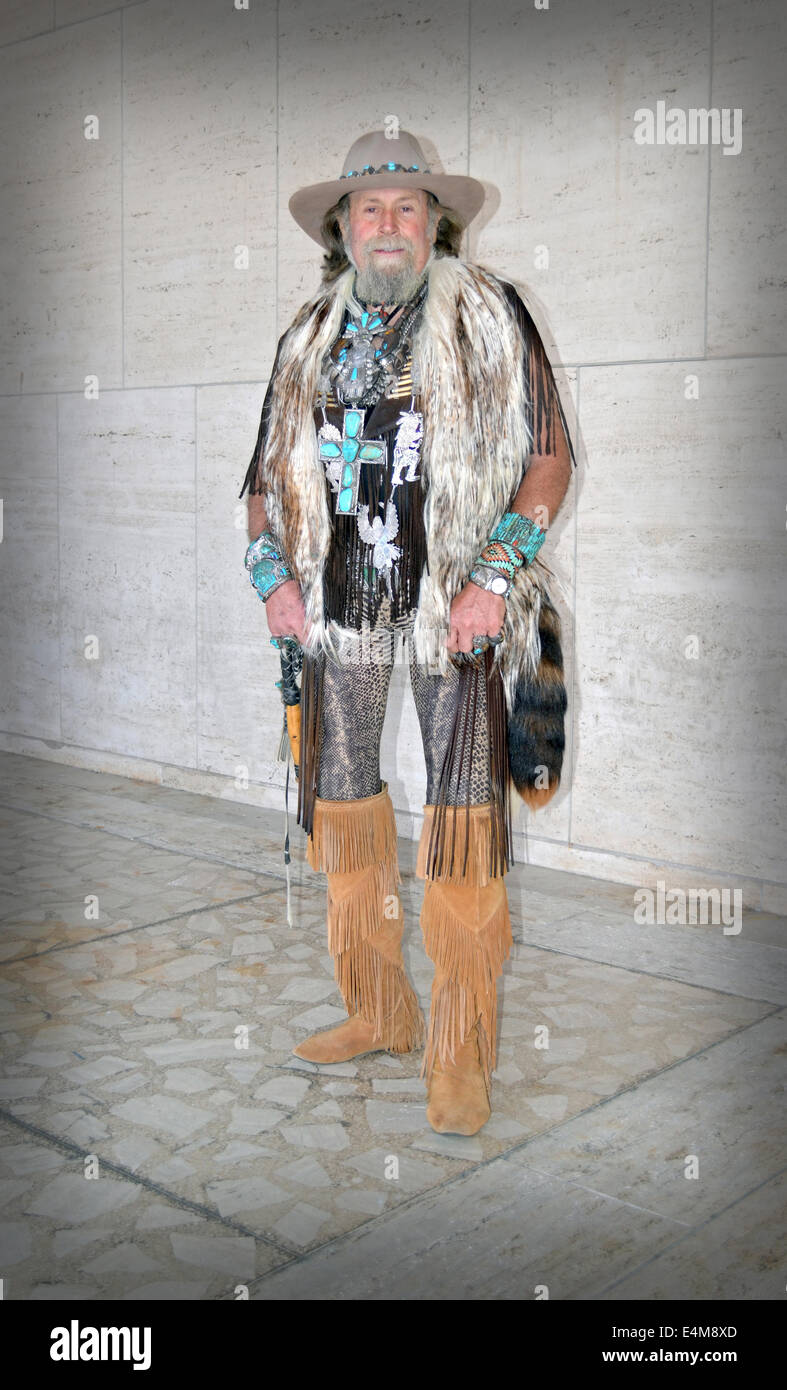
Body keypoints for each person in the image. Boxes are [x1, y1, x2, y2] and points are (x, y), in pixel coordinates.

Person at [239, 129, 576, 1135]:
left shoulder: (489, 315)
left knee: (463, 825)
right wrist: (272, 584)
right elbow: (260, 487)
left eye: (408, 206)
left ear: (436, 223)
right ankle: (378, 1011)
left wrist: (495, 575)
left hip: (451, 609)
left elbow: (549, 461)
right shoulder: (306, 339)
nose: (388, 224)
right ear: (342, 230)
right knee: (342, 809)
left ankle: (459, 1053)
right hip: (338, 609)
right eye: (369, 208)